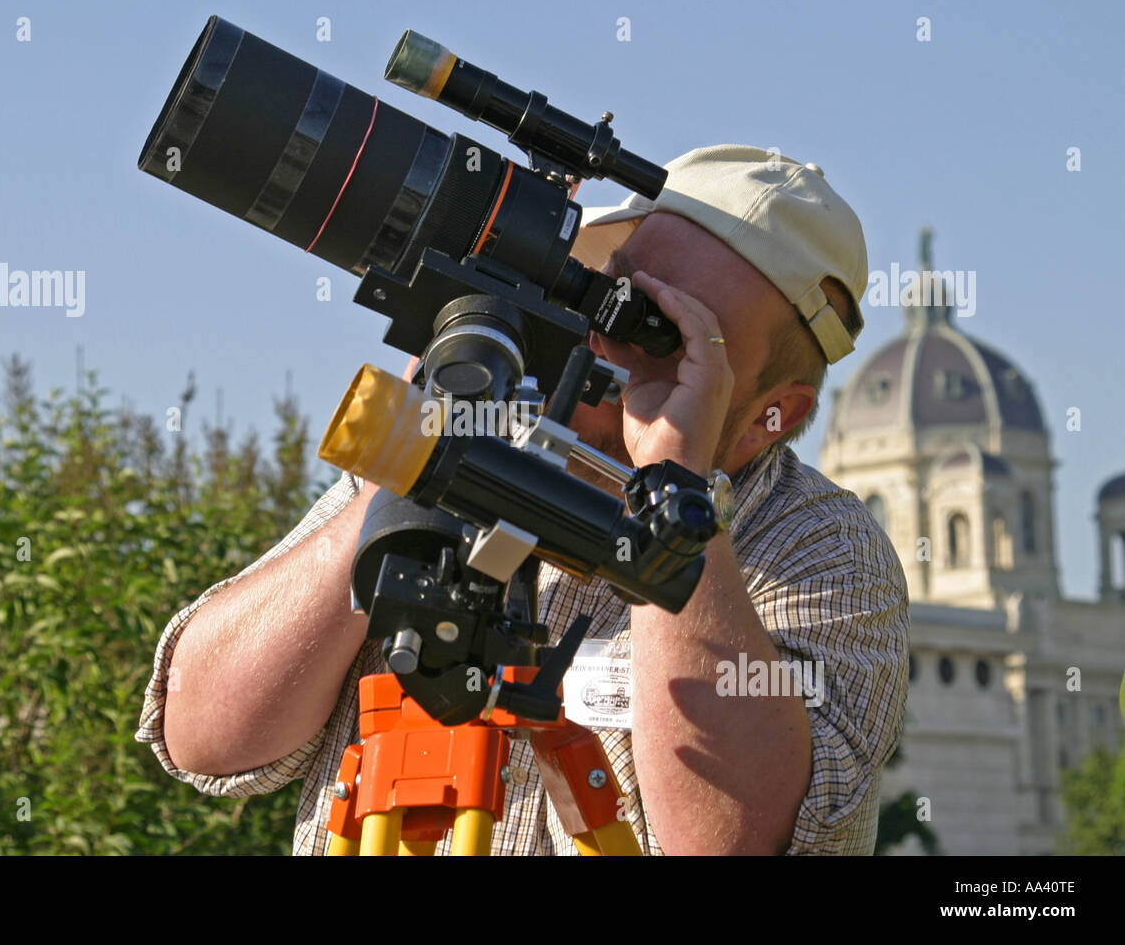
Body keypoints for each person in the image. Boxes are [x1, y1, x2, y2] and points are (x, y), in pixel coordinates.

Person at [136, 144, 910, 855]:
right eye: (612, 297)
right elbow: (206, 733)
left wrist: (674, 491)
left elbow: (730, 841)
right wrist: (412, 457)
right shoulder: (464, 441)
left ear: (771, 416)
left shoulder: (818, 545)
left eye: (665, 333)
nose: (604, 342)